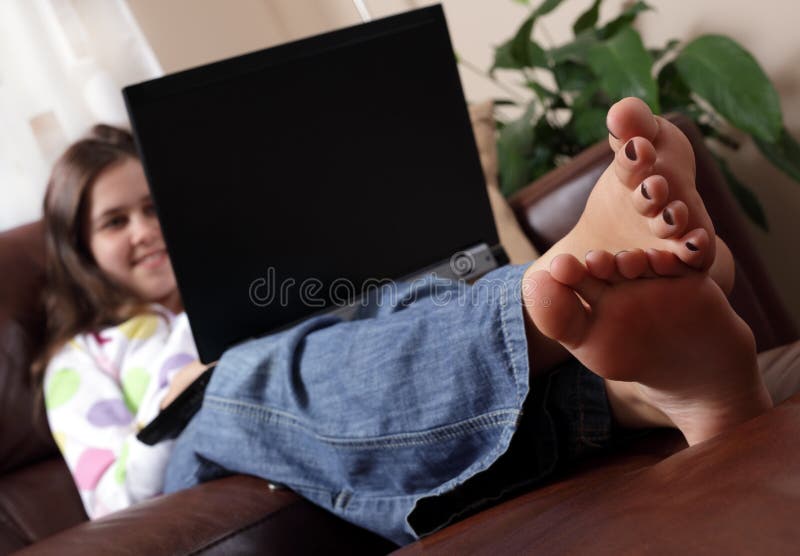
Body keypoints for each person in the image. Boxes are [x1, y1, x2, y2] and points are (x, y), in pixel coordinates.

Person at [34, 97, 790, 545]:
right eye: (114, 221)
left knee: (382, 307)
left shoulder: (233, 289)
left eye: (152, 207)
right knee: (246, 373)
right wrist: (182, 395)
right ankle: (553, 292)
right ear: (79, 249)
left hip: (320, 387)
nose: (145, 229)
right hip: (206, 440)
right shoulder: (85, 356)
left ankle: (650, 393)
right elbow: (119, 499)